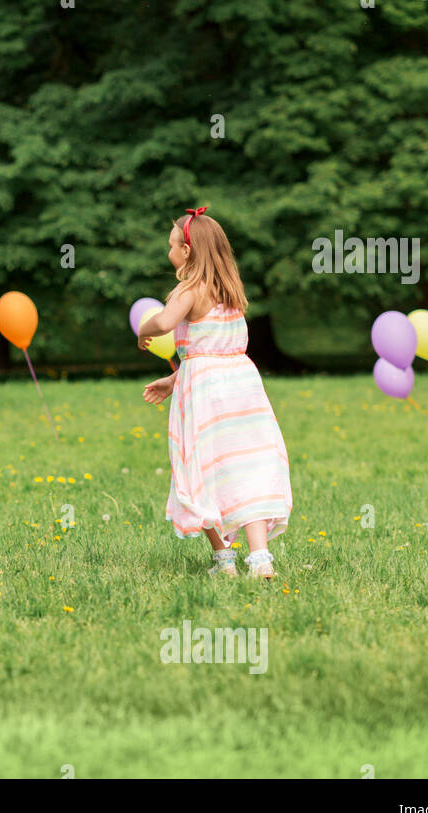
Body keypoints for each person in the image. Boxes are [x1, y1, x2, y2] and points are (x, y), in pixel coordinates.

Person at [139, 207, 291, 578]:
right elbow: (212, 348)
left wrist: (144, 328)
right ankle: (260, 559)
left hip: (207, 397)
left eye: (172, 245)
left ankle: (224, 561)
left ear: (187, 251)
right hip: (243, 391)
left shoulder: (190, 290)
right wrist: (172, 381)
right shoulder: (230, 292)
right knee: (245, 467)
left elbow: (167, 321)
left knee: (204, 469)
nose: (169, 251)